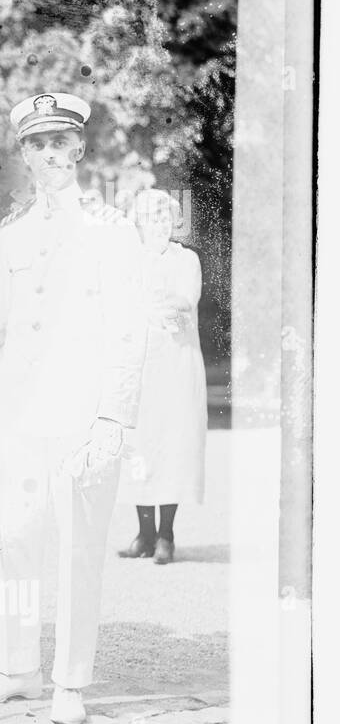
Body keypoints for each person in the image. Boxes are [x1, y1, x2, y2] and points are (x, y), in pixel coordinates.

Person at [0, 92, 145, 724]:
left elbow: (129, 330)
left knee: (77, 544)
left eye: (59, 142)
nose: (49, 154)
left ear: (80, 149)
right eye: (36, 144)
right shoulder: (10, 233)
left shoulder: (113, 229)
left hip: (81, 413)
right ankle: (17, 667)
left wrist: (113, 419)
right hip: (17, 411)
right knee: (13, 536)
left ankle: (70, 680)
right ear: (24, 155)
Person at [116, 189, 208, 564]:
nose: (160, 224)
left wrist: (155, 307)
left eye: (165, 216)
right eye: (152, 217)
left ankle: (167, 534)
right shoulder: (129, 261)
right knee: (141, 442)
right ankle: (144, 533)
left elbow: (185, 300)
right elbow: (122, 306)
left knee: (172, 440)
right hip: (140, 364)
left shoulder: (186, 260)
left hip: (176, 361)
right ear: (139, 222)